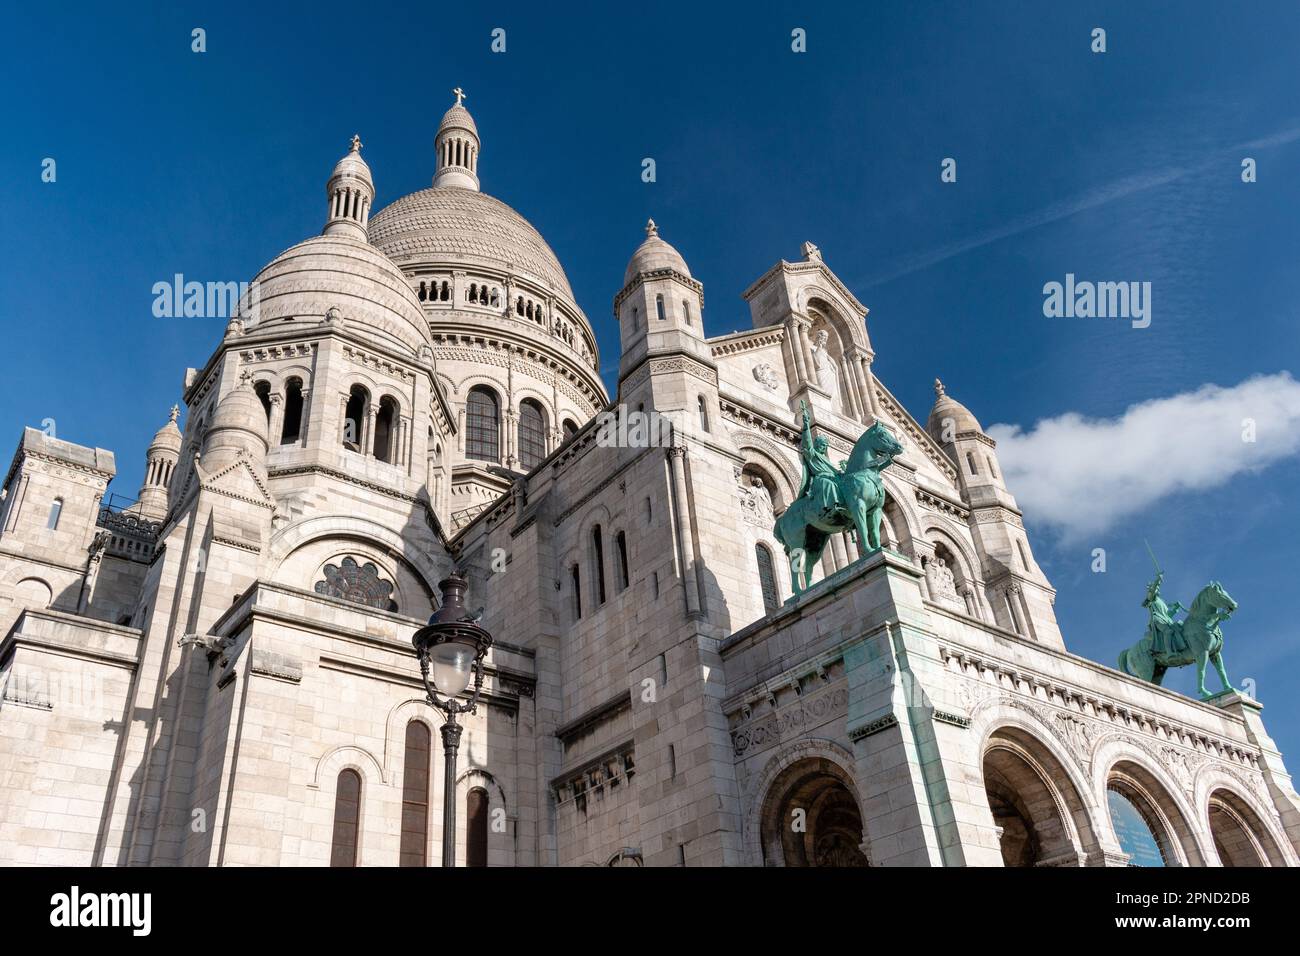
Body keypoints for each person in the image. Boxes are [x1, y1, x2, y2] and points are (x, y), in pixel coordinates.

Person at [796, 401, 843, 521]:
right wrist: (806, 425)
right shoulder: (812, 454)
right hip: (820, 480)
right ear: (816, 444)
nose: (823, 447)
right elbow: (807, 443)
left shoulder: (825, 459)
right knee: (830, 484)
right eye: (821, 445)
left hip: (831, 477)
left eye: (825, 446)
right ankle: (833, 507)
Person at [1143, 571, 1187, 657]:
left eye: (1157, 589)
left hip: (1166, 620)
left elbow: (1168, 614)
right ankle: (1169, 652)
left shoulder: (1162, 601)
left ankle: (1180, 647)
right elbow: (1153, 590)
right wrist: (1158, 580)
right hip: (1157, 620)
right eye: (1155, 589)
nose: (1157, 590)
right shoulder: (1151, 598)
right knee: (1168, 631)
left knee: (1179, 627)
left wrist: (1175, 608)